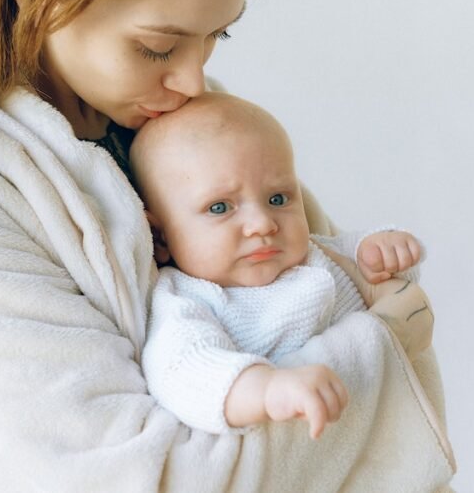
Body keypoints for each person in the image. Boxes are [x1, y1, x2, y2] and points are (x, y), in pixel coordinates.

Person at [0, 0, 455, 491]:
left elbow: (326, 281)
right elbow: (136, 478)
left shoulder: (177, 118)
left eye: (219, 34)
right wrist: (385, 348)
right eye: (156, 47)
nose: (192, 80)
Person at [130, 92, 434, 440]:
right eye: (220, 208)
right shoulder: (190, 300)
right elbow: (181, 370)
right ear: (161, 238)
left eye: (277, 199)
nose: (262, 223)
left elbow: (387, 279)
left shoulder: (312, 254)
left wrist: (381, 248)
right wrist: (266, 389)